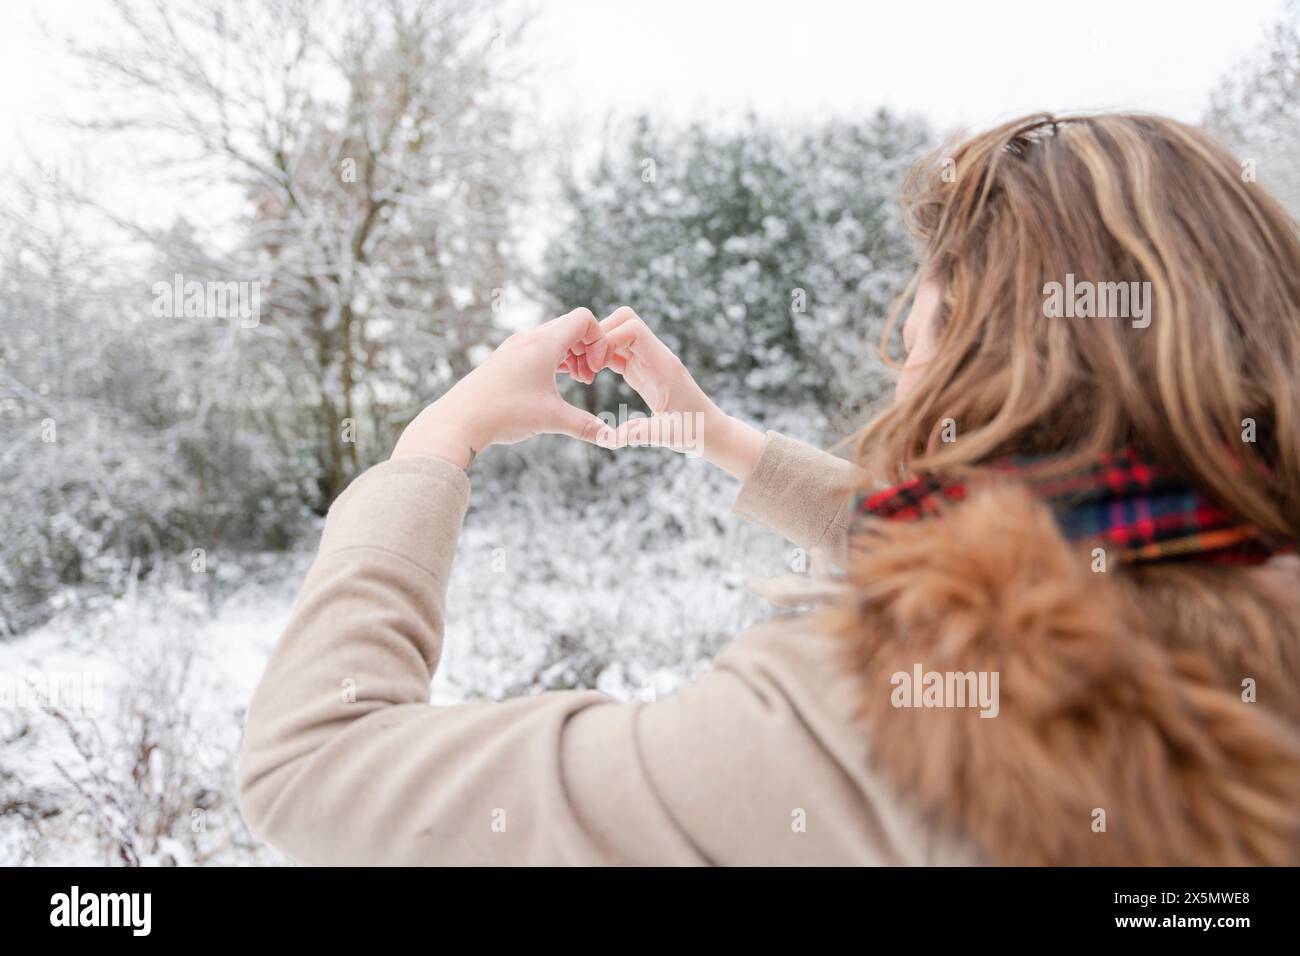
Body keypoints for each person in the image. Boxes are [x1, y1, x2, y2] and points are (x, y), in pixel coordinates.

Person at [237, 113, 1300, 865]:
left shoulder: (861, 721)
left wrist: (438, 436)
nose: (898, 370)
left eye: (917, 335)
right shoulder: (1238, 583)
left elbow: (313, 765)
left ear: (997, 367)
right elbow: (1050, 560)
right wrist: (722, 441)